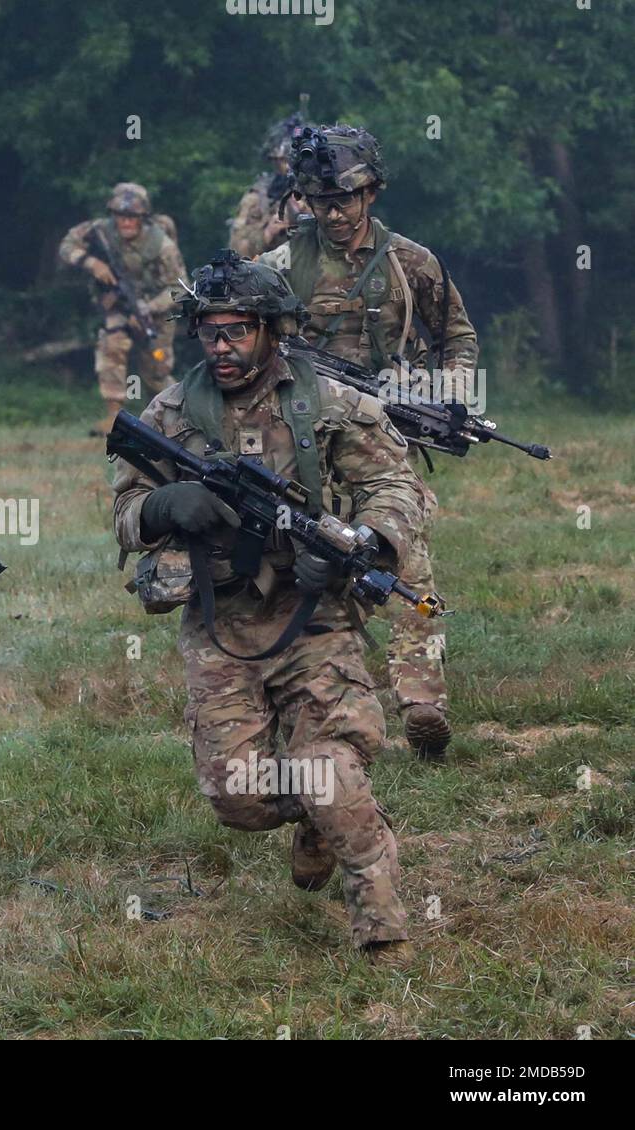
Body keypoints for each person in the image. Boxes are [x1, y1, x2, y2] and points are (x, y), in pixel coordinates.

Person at [111, 251, 424, 962]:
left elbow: (395, 487)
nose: (221, 349)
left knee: (329, 767)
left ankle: (384, 932)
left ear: (272, 331)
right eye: (210, 333)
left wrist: (368, 542)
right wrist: (166, 504)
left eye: (238, 333)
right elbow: (126, 512)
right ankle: (317, 816)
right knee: (238, 798)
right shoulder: (172, 414)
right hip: (222, 623)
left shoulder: (328, 403)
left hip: (316, 617)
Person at [259, 124, 479, 760]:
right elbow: (246, 344)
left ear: (372, 192)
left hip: (382, 438)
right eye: (320, 199)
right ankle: (315, 709)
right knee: (305, 572)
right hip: (299, 443)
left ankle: (423, 703)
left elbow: (456, 338)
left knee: (405, 560)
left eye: (346, 198)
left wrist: (447, 392)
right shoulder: (278, 267)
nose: (333, 212)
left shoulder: (412, 263)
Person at [59, 182, 187, 437]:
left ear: (143, 218)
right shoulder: (100, 232)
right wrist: (90, 262)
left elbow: (180, 288)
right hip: (118, 307)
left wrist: (149, 308)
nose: (126, 223)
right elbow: (67, 246)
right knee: (111, 345)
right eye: (121, 217)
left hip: (156, 315)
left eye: (133, 218)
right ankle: (114, 416)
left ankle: (178, 419)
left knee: (157, 370)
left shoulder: (161, 245)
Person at [228, 110, 313, 257]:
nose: (286, 167)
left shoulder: (321, 191)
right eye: (280, 160)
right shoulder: (259, 197)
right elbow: (235, 250)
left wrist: (306, 215)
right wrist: (267, 233)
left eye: (290, 159)